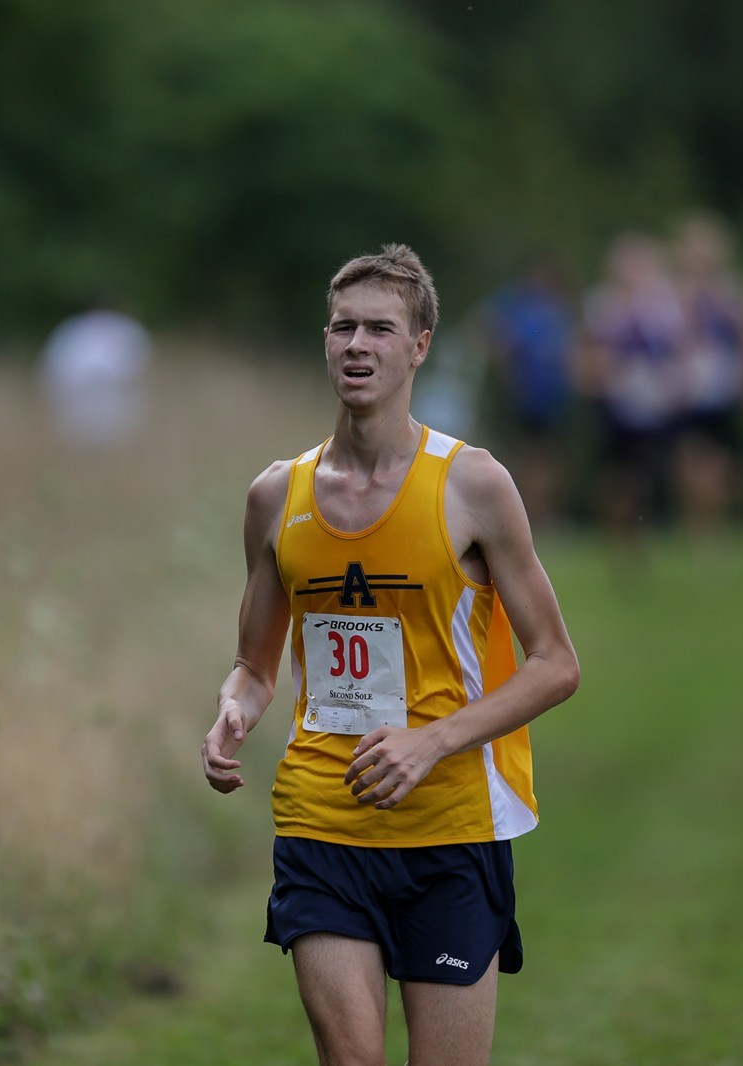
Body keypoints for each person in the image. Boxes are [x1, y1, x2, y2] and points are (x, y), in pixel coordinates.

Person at [201, 244, 580, 1066]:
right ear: (325, 341)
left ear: (420, 346)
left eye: (380, 329)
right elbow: (255, 665)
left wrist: (430, 741)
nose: (357, 345)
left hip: (449, 829)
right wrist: (233, 707)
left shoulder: (473, 485)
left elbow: (556, 663)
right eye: (343, 327)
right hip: (322, 818)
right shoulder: (277, 495)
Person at [580, 233, 687, 539]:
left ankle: (643, 525)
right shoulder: (601, 304)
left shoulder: (664, 305)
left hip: (654, 404)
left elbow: (677, 350)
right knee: (617, 472)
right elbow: (590, 352)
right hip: (617, 403)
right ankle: (617, 526)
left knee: (648, 470)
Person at [476, 255, 578, 525]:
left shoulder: (560, 308)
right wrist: (505, 365)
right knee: (529, 457)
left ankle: (543, 512)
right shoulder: (516, 303)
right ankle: (528, 513)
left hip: (554, 399)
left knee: (549, 459)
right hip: (522, 398)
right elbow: (484, 330)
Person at [672, 212, 743, 538]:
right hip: (687, 392)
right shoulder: (674, 294)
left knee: (720, 464)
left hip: (722, 391)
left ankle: (715, 524)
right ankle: (696, 526)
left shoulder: (730, 295)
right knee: (689, 461)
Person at [37, 302, 152, 446]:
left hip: (116, 395)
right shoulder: (73, 331)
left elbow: (139, 363)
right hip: (79, 396)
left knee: (117, 436)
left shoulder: (127, 330)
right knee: (81, 437)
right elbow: (57, 364)